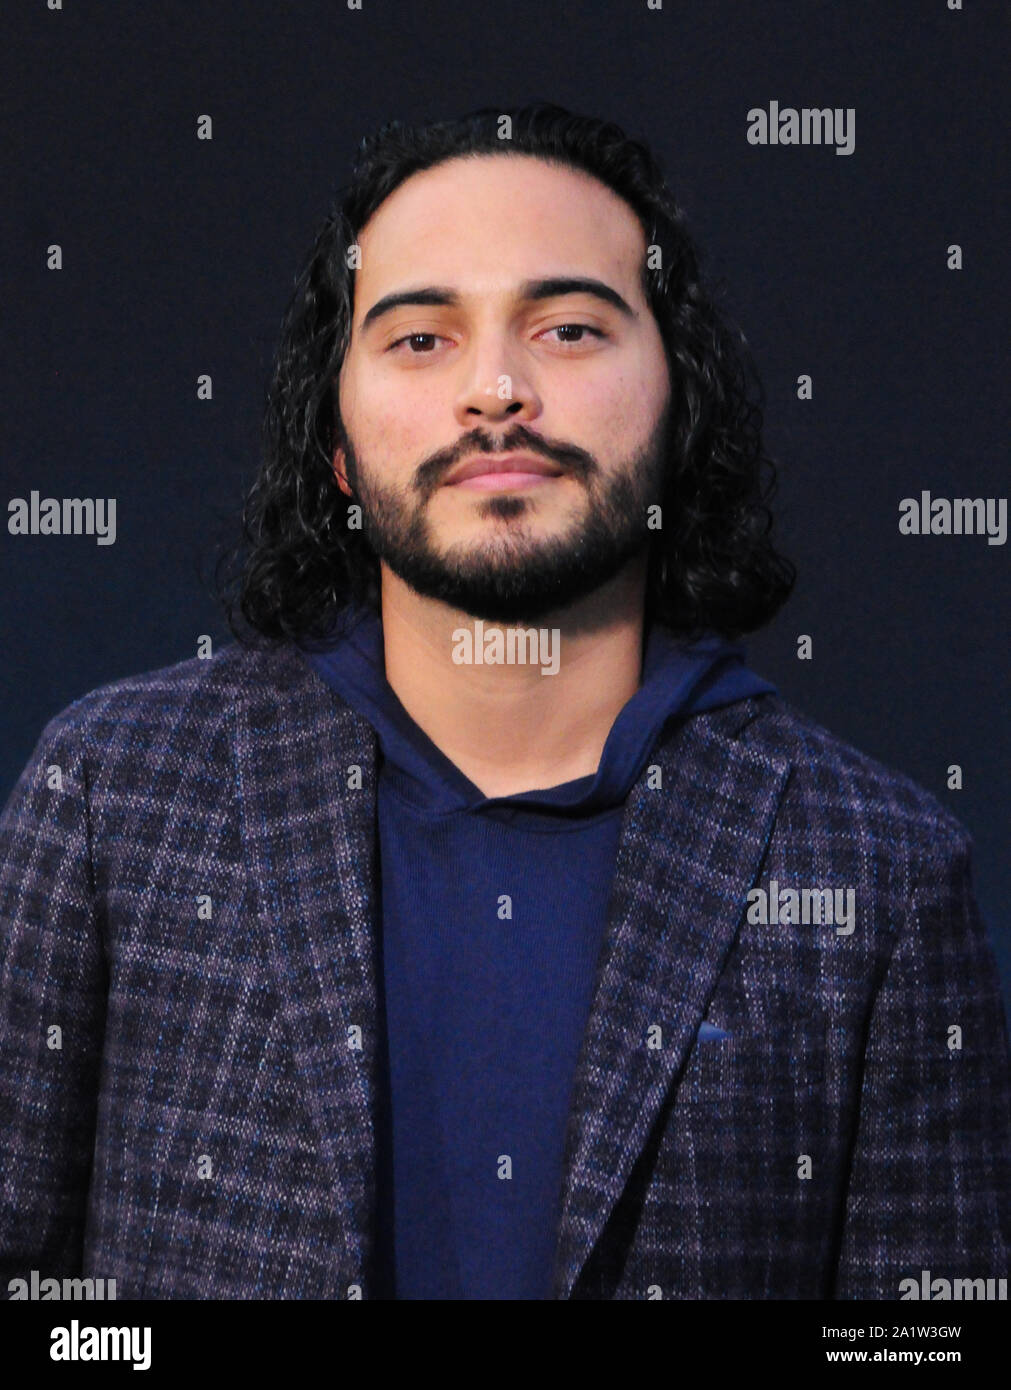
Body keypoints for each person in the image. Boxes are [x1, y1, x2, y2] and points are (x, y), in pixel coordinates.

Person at [1, 103, 1007, 1301]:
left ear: (680, 410)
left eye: (571, 328)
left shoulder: (883, 870)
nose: (496, 389)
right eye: (420, 339)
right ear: (336, 443)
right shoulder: (113, 791)